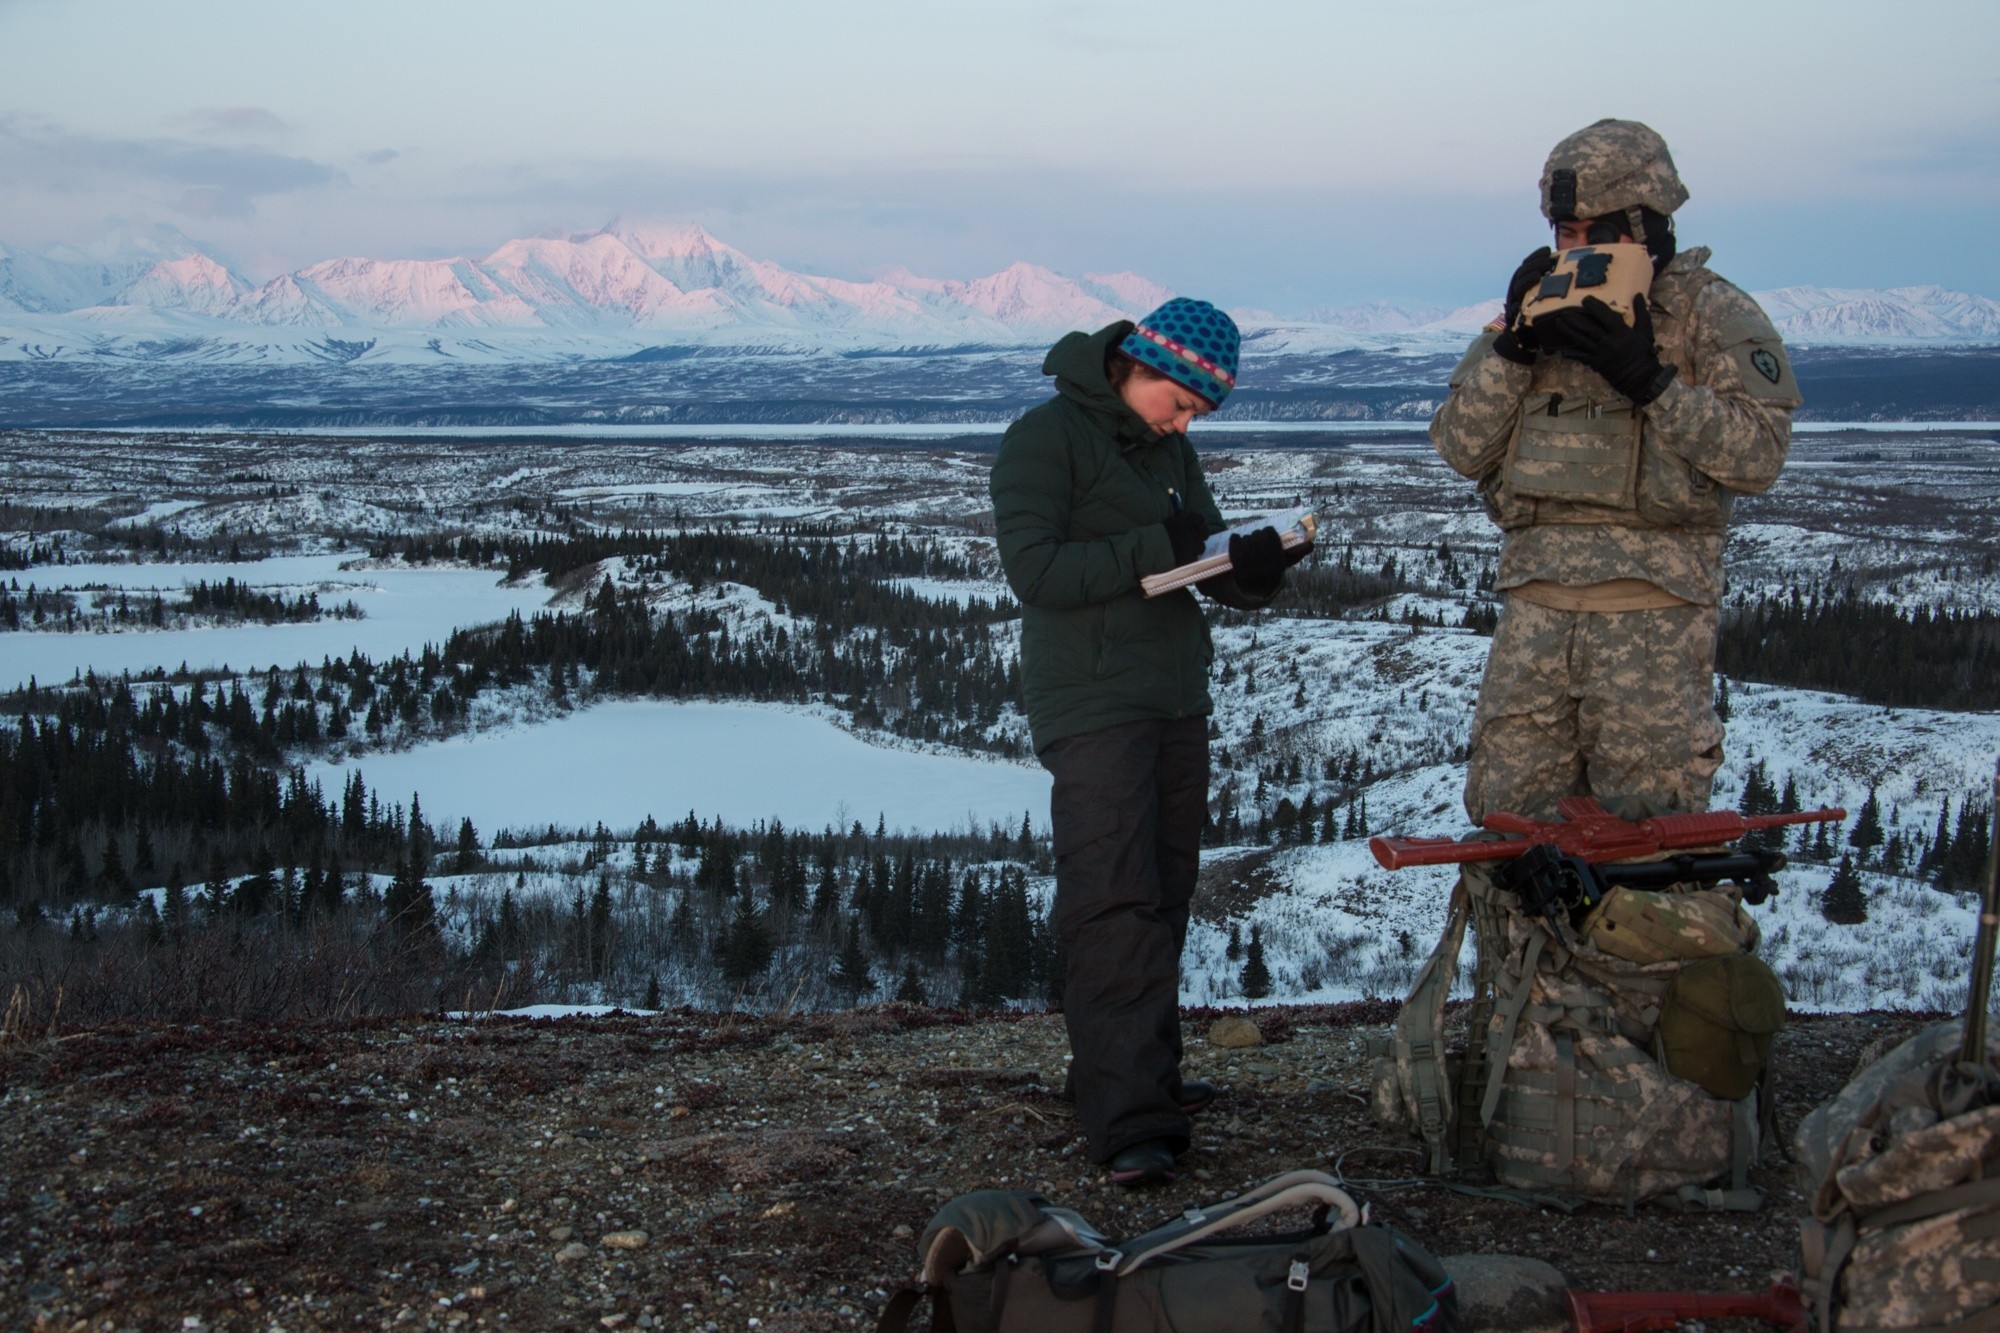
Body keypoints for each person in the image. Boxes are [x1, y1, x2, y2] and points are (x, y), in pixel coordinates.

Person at [990, 297, 1309, 1187]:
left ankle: (1134, 1077)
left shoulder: (1169, 448)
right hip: (1091, 699)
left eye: (1201, 413)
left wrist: (1250, 570)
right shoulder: (1043, 438)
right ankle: (1129, 1117)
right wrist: (1150, 546)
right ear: (1139, 364)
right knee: (1113, 898)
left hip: (1173, 694)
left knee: (1164, 892)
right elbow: (1037, 571)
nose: (1187, 421)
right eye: (1183, 401)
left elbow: (1192, 556)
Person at [1431, 118, 1800, 824]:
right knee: (1511, 831)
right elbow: (1460, 447)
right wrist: (1513, 348)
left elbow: (1759, 455)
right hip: (1535, 615)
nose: (1575, 249)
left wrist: (1653, 384)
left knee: (1644, 839)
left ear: (1647, 222)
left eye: (1594, 231)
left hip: (1652, 626)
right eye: (1564, 232)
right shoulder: (1535, 314)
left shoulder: (1709, 314)